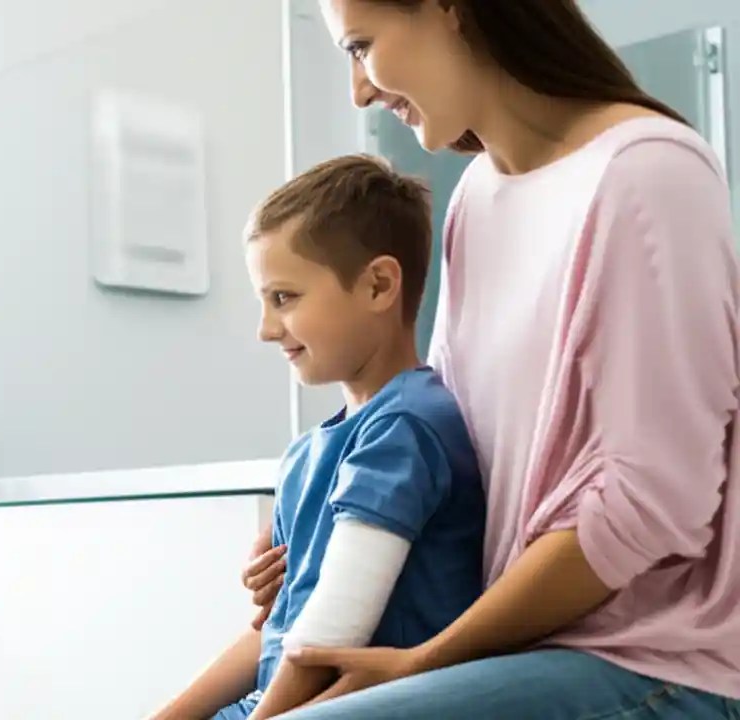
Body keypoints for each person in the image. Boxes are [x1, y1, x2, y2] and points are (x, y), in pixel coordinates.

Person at [240, 1, 740, 718]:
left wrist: (425, 662)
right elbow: (450, 438)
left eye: (361, 46)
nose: (359, 91)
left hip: (650, 661)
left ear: (449, 8)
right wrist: (318, 513)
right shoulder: (477, 197)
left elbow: (653, 501)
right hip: (519, 653)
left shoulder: (649, 174)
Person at [150, 155, 485, 720]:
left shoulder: (405, 428)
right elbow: (278, 632)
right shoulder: (307, 456)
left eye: (284, 298)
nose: (266, 328)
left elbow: (334, 633)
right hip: (282, 701)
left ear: (379, 285)